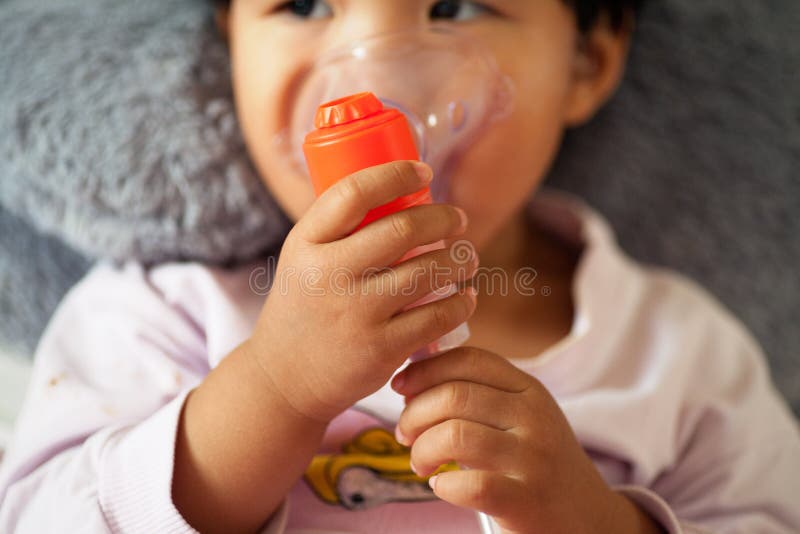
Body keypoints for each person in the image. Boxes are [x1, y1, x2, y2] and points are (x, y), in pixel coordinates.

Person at [1, 1, 798, 532]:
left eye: (451, 6)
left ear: (587, 61)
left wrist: (589, 516)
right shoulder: (162, 312)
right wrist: (275, 389)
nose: (376, 75)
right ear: (230, 47)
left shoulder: (679, 350)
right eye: (308, 4)